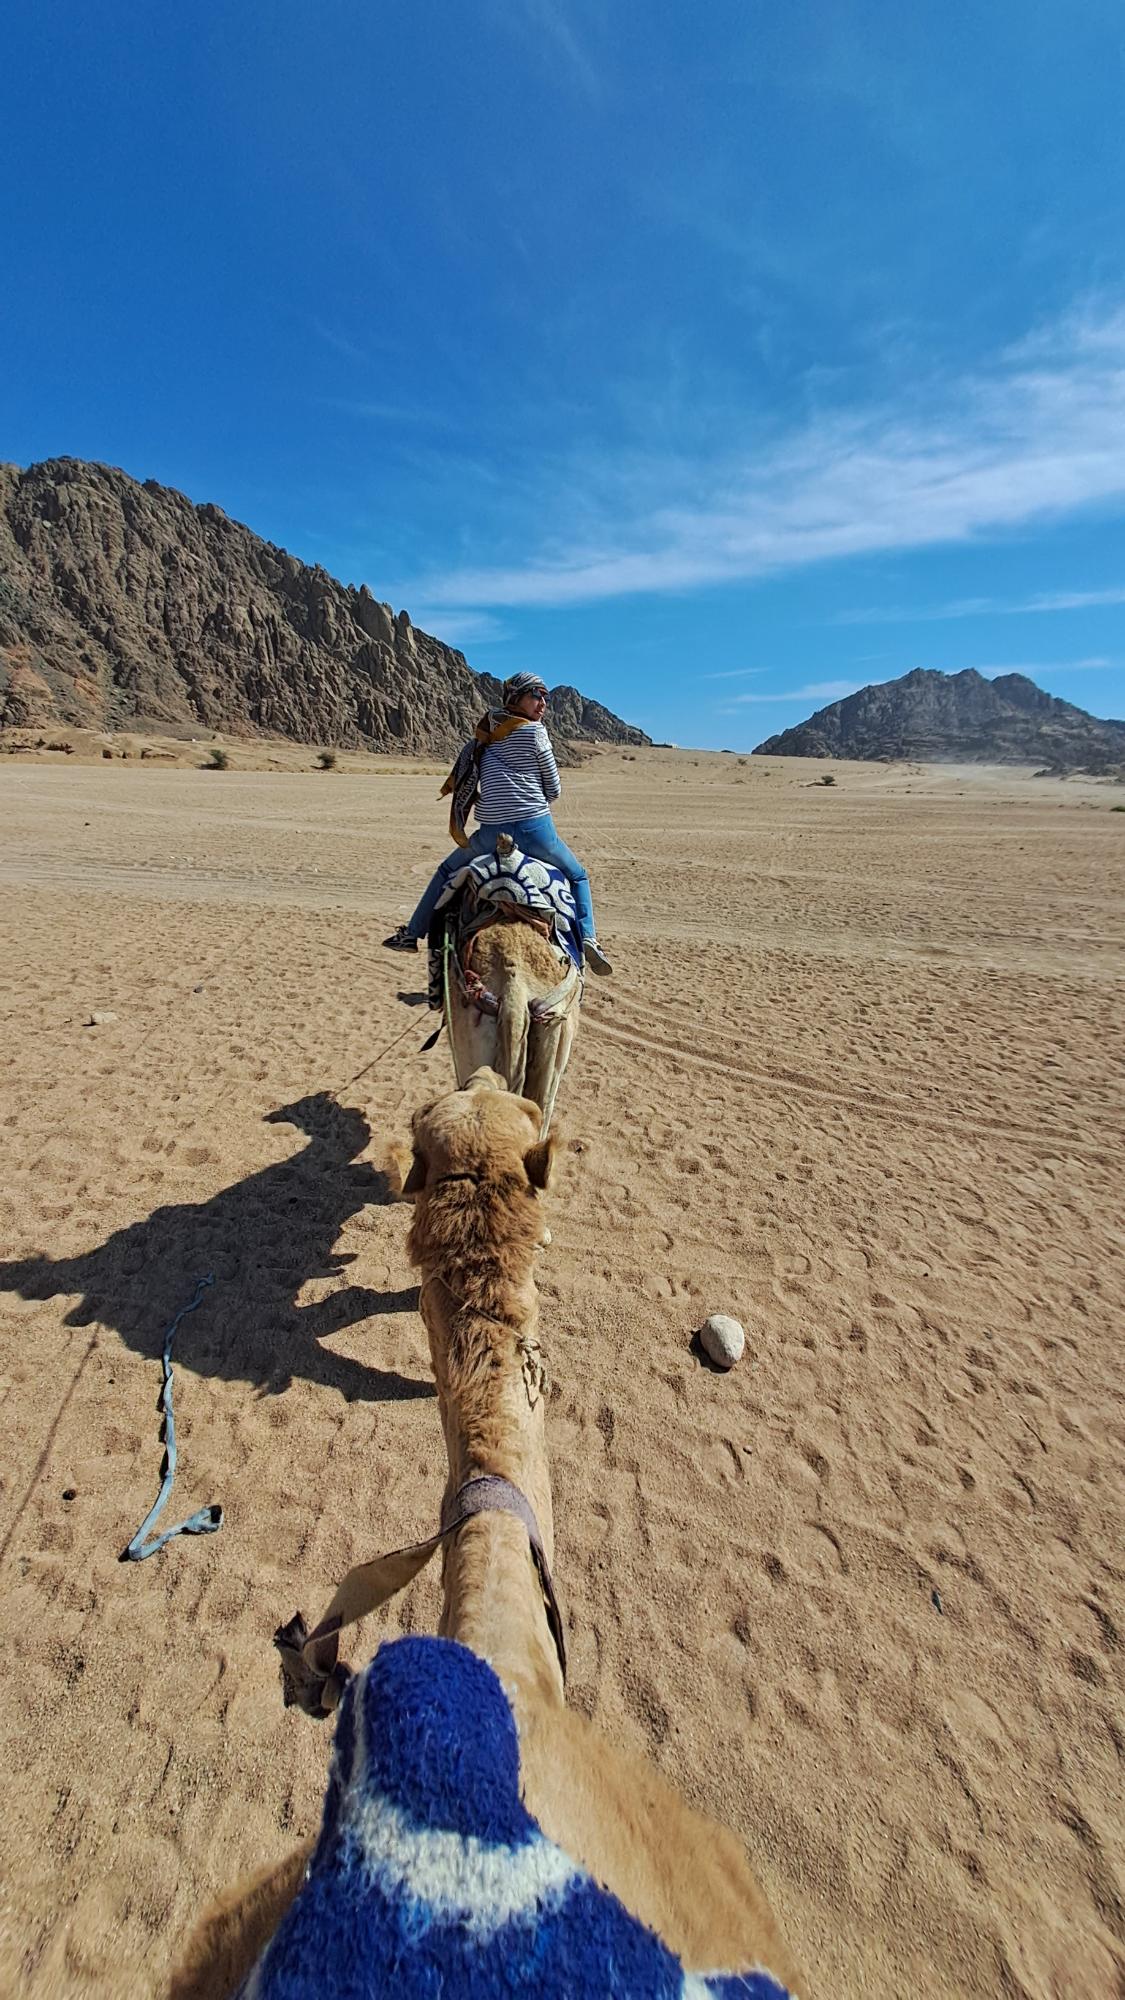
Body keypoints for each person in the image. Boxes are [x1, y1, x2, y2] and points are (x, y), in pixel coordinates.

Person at [383, 671, 613, 975]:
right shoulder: (535, 732)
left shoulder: (485, 737)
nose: (543, 702)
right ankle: (588, 939)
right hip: (536, 830)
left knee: (447, 871)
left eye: (545, 696)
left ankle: (412, 933)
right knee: (578, 875)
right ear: (517, 697)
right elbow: (554, 789)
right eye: (536, 695)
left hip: (491, 834)